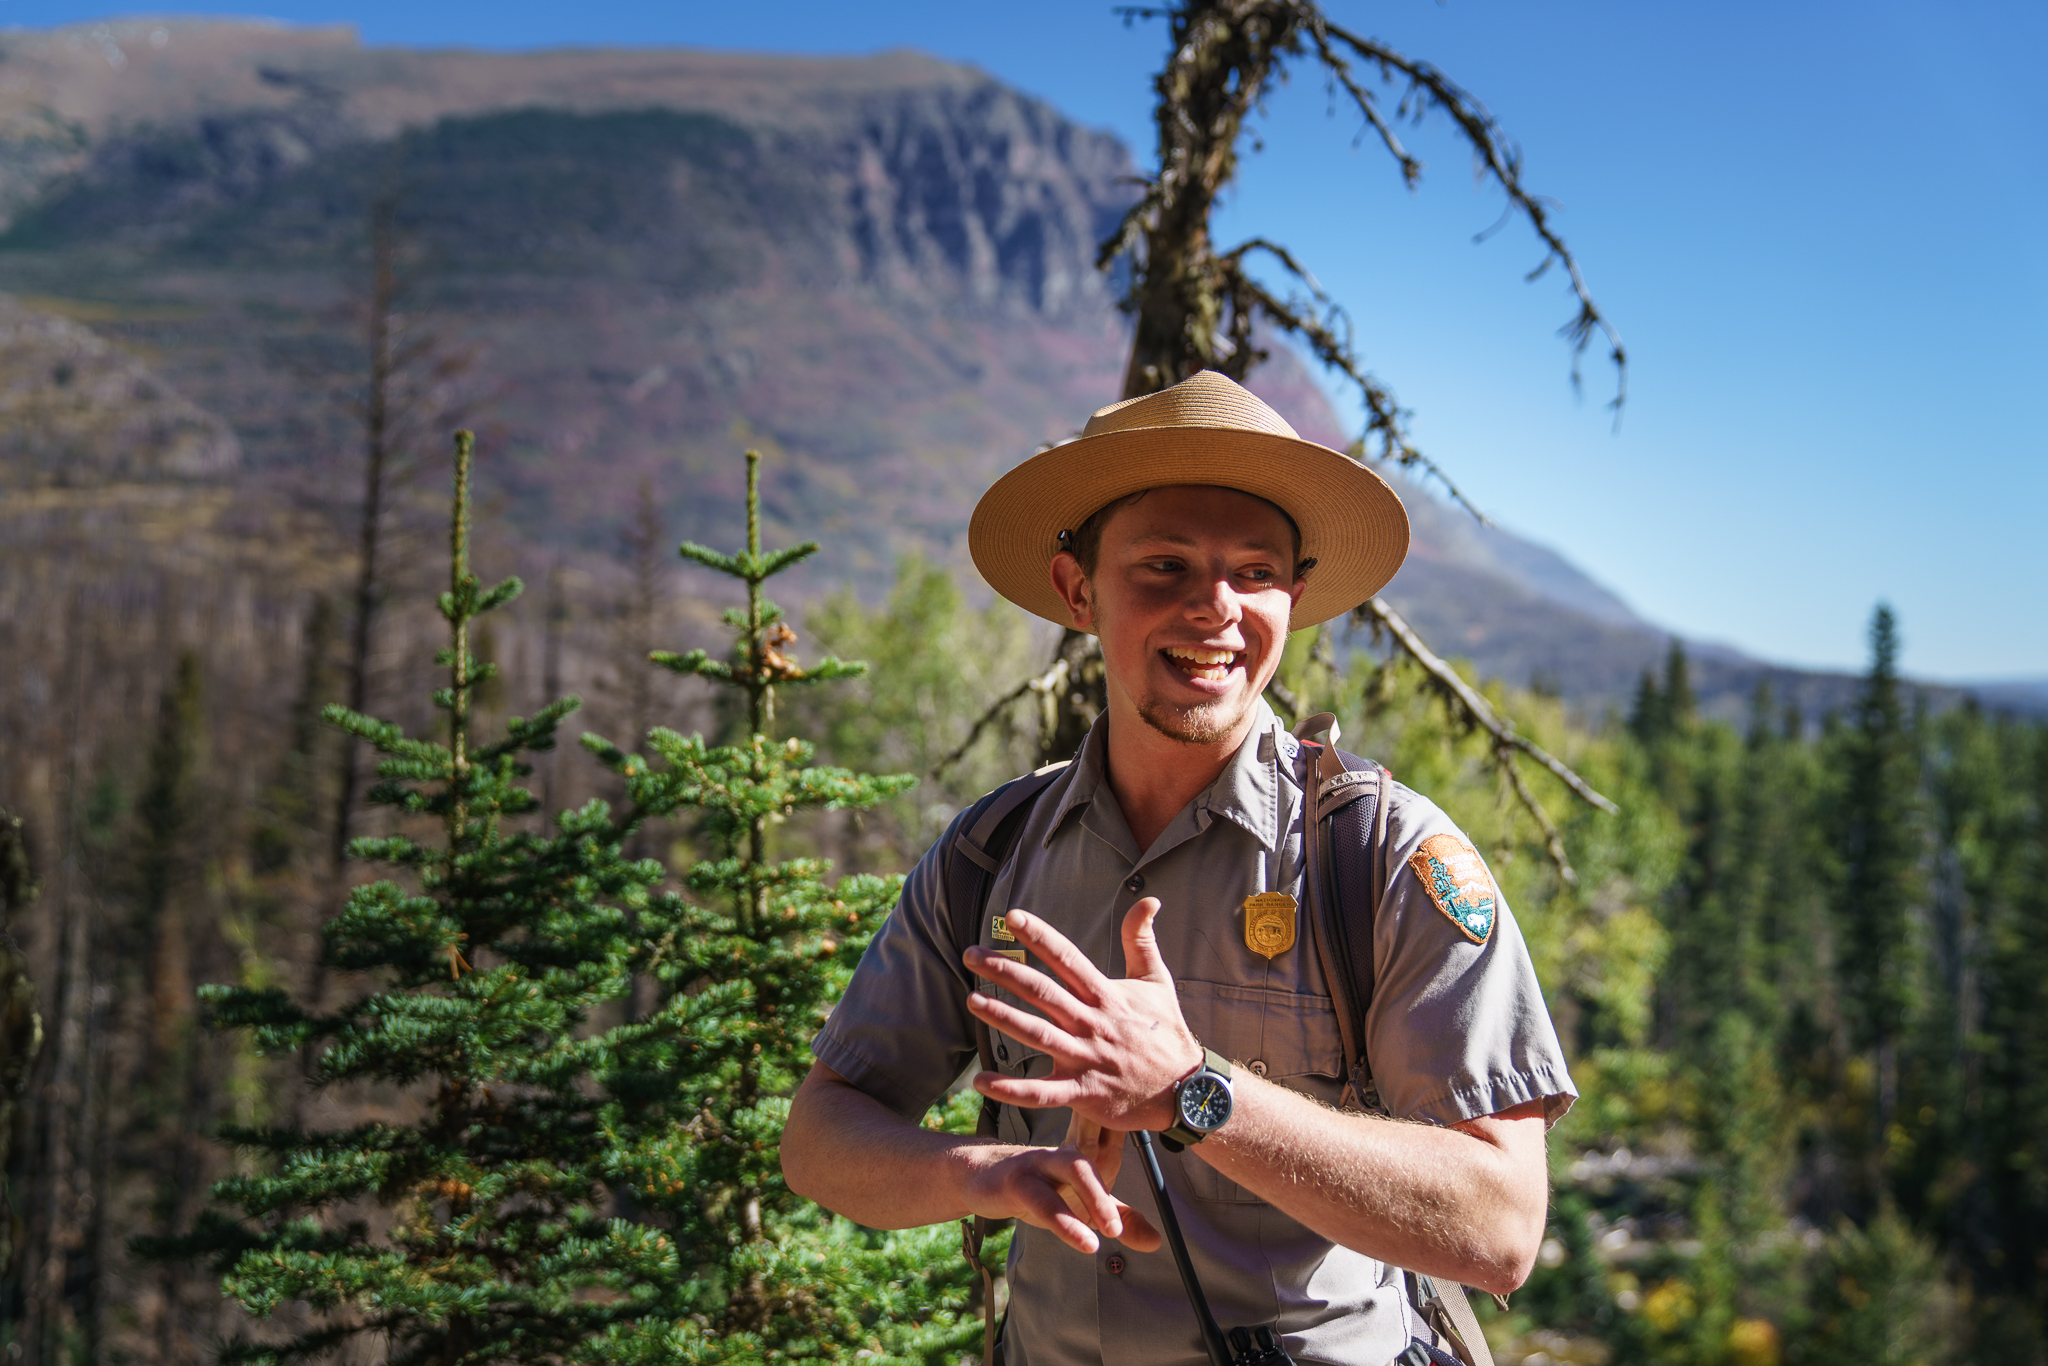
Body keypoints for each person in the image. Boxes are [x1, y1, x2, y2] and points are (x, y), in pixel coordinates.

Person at [782, 371, 1577, 1366]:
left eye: (1254, 572)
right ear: (1078, 588)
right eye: (1164, 566)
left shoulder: (1379, 856)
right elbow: (820, 1134)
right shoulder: (988, 854)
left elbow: (1499, 1229)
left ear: (1291, 596)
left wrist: (1195, 1093)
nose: (1215, 609)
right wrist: (981, 1171)